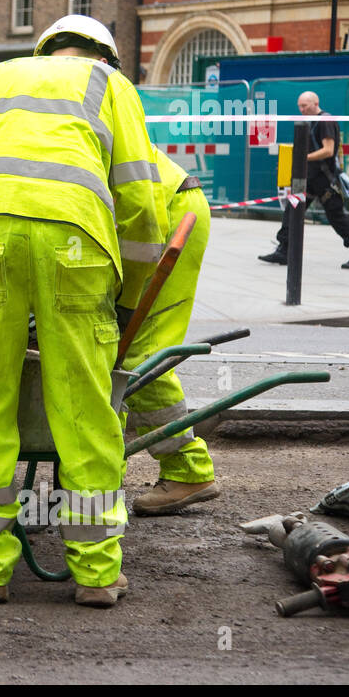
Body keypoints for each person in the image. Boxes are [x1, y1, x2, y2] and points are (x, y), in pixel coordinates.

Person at [0, 14, 167, 608]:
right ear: (104, 57)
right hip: (78, 247)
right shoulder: (112, 88)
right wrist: (131, 296)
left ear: (44, 50)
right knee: (85, 410)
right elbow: (138, 202)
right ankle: (97, 574)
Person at [121, 148, 220, 515]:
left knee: (135, 352)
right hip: (157, 205)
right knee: (118, 345)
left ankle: (187, 470)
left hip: (163, 211)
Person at [259, 91, 349, 269]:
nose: (301, 109)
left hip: (324, 179)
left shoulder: (325, 121)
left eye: (305, 106)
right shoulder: (311, 121)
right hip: (309, 177)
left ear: (316, 103)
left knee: (336, 216)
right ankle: (284, 249)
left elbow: (328, 150)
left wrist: (303, 158)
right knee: (292, 211)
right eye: (300, 106)